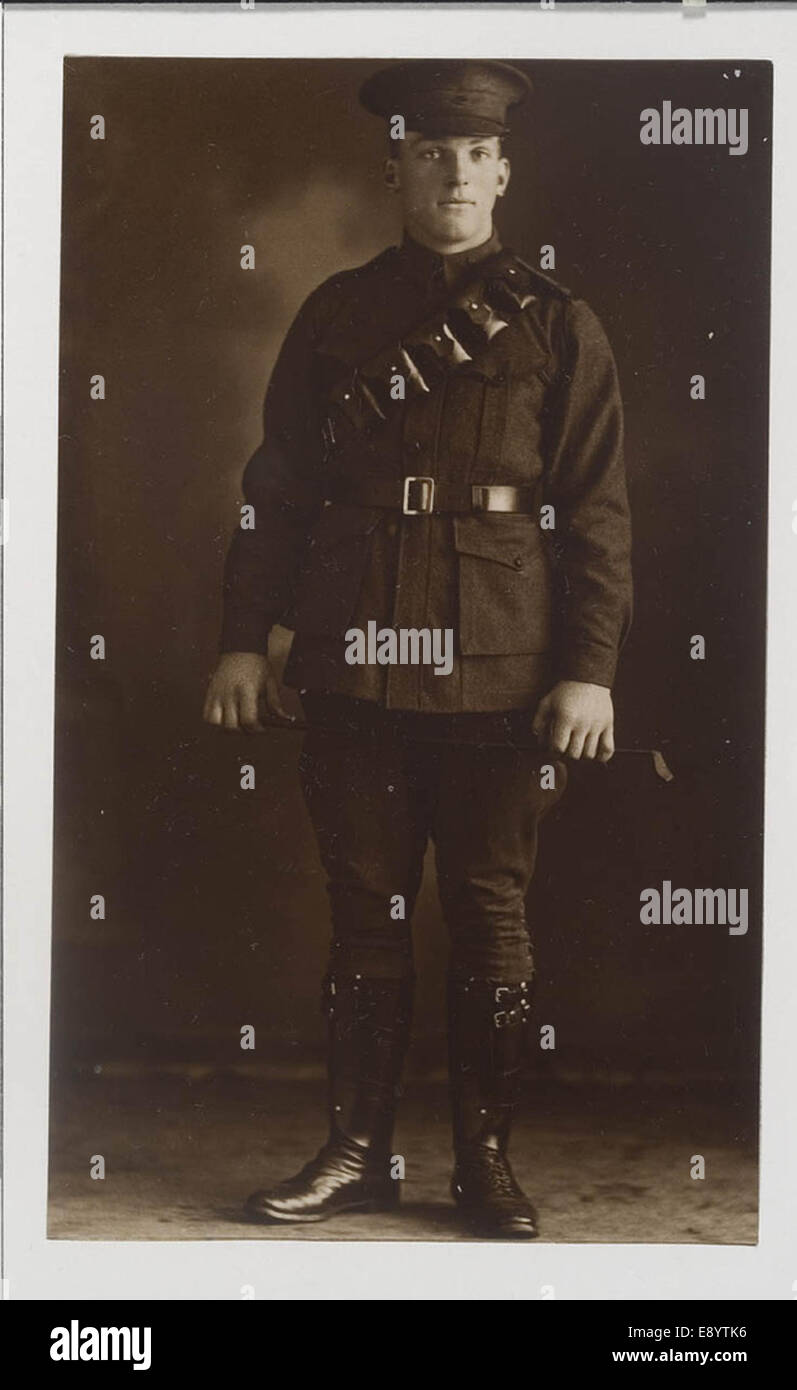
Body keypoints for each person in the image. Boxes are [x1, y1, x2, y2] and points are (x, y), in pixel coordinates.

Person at [203, 60, 632, 1239]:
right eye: (427, 152)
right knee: (364, 914)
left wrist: (586, 666)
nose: (452, 173)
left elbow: (593, 510)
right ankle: (356, 1153)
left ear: (504, 168)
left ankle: (482, 1167)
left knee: (489, 914)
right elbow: (274, 496)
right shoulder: (336, 315)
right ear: (392, 166)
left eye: (472, 153)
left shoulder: (556, 321)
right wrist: (245, 642)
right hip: (349, 661)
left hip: (500, 665)